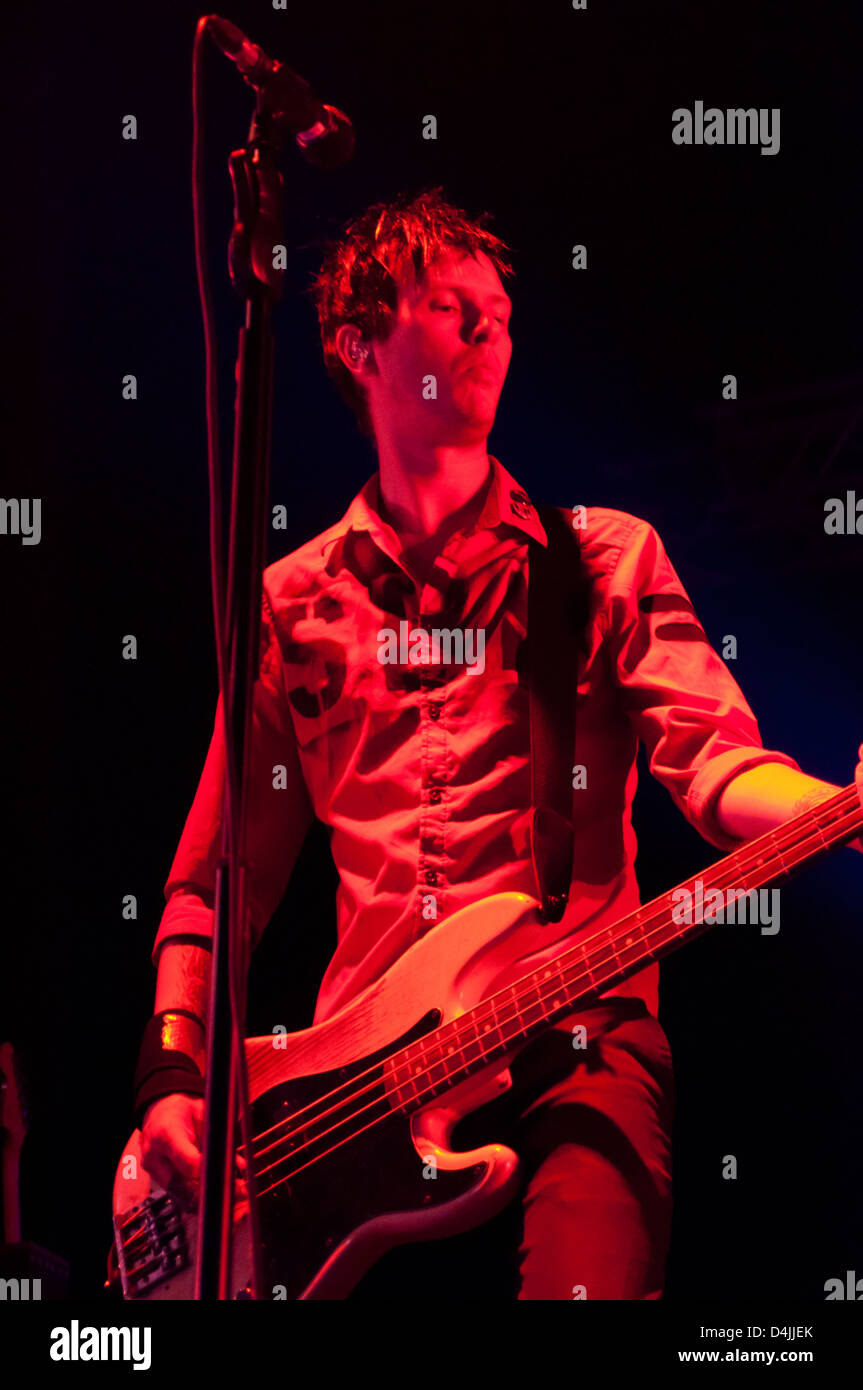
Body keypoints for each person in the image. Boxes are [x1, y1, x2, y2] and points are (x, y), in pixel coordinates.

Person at [136, 189, 863, 1300]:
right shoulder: (288, 606)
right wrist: (173, 1070)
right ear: (358, 344)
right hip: (354, 1099)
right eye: (448, 304)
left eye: (499, 310)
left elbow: (717, 773)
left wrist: (837, 810)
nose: (490, 329)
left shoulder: (603, 558)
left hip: (579, 1034)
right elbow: (209, 888)